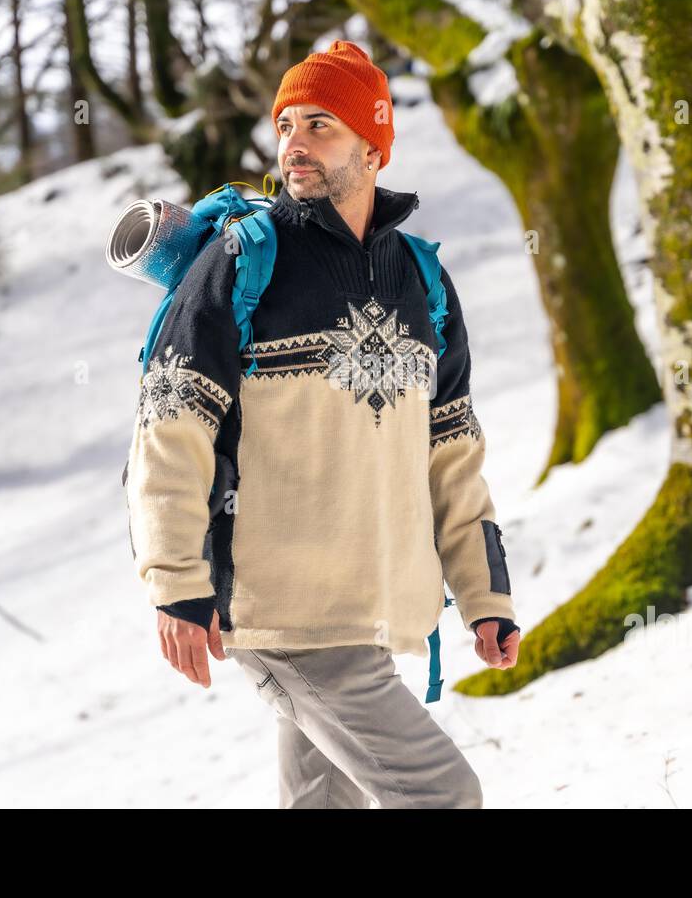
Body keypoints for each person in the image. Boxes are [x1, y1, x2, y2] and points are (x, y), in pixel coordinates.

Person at [124, 39, 520, 808]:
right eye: (286, 125)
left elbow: (452, 454)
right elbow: (171, 425)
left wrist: (485, 596)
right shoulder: (243, 262)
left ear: (374, 146)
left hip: (367, 611)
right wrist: (175, 584)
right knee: (444, 795)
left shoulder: (423, 279)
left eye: (320, 125)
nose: (293, 144)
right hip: (287, 609)